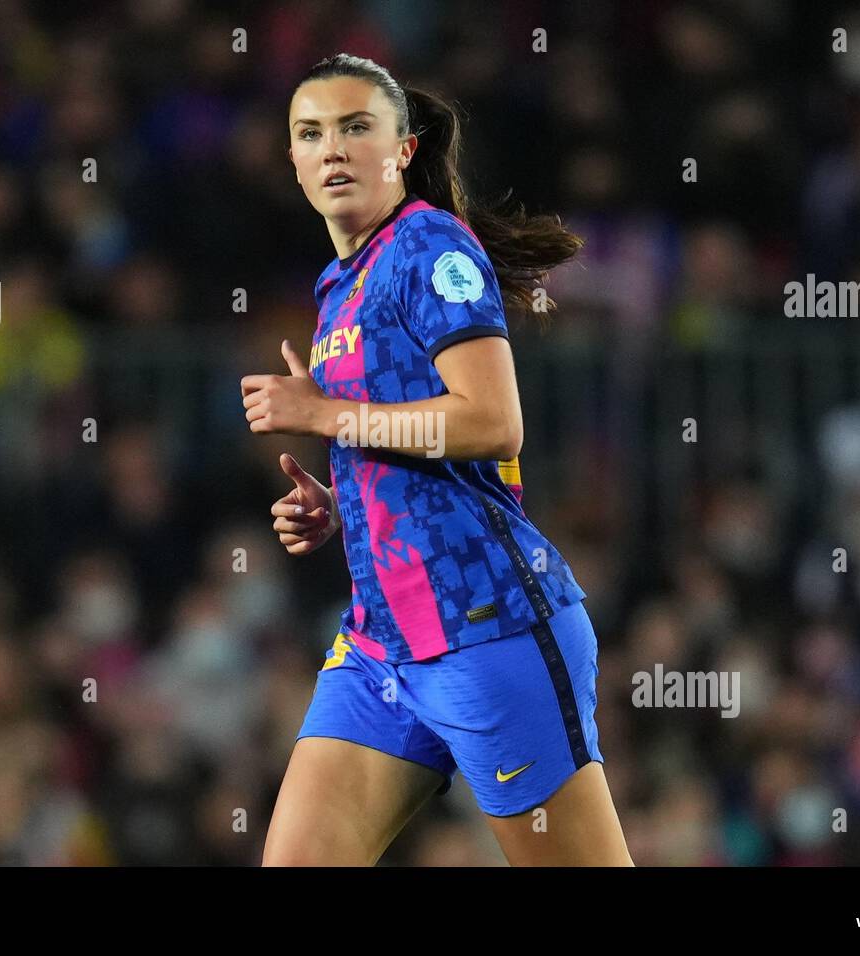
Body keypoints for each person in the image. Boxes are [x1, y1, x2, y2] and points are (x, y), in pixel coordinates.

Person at [241, 53, 634, 866]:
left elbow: (493, 422)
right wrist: (341, 500)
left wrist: (324, 414)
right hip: (381, 640)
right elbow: (400, 437)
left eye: (357, 128)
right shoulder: (337, 287)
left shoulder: (427, 243)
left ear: (405, 149)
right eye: (311, 133)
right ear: (293, 161)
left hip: (487, 627)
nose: (334, 149)